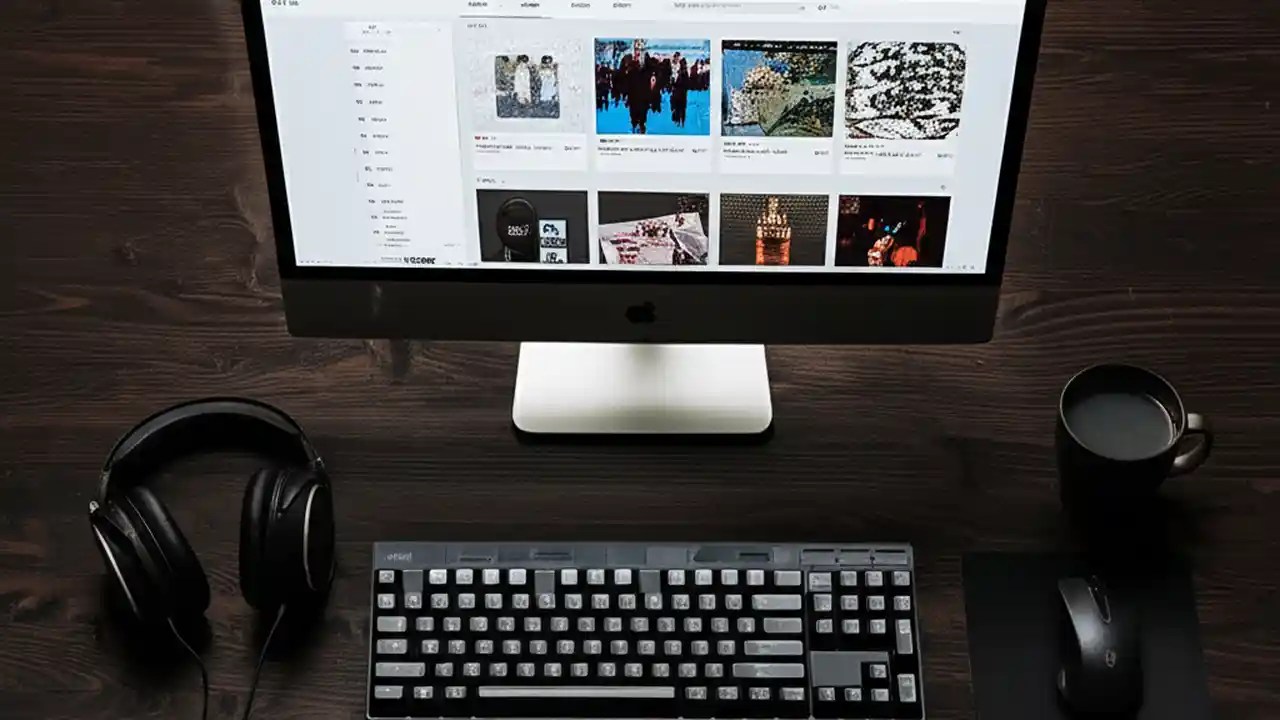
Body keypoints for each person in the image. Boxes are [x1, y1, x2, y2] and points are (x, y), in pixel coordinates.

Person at [671, 58, 690, 128]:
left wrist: (674, 83)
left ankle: (679, 121)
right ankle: (682, 122)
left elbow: (680, 84)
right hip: (683, 94)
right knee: (682, 108)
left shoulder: (682, 73)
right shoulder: (684, 73)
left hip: (679, 94)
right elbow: (686, 84)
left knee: (678, 108)